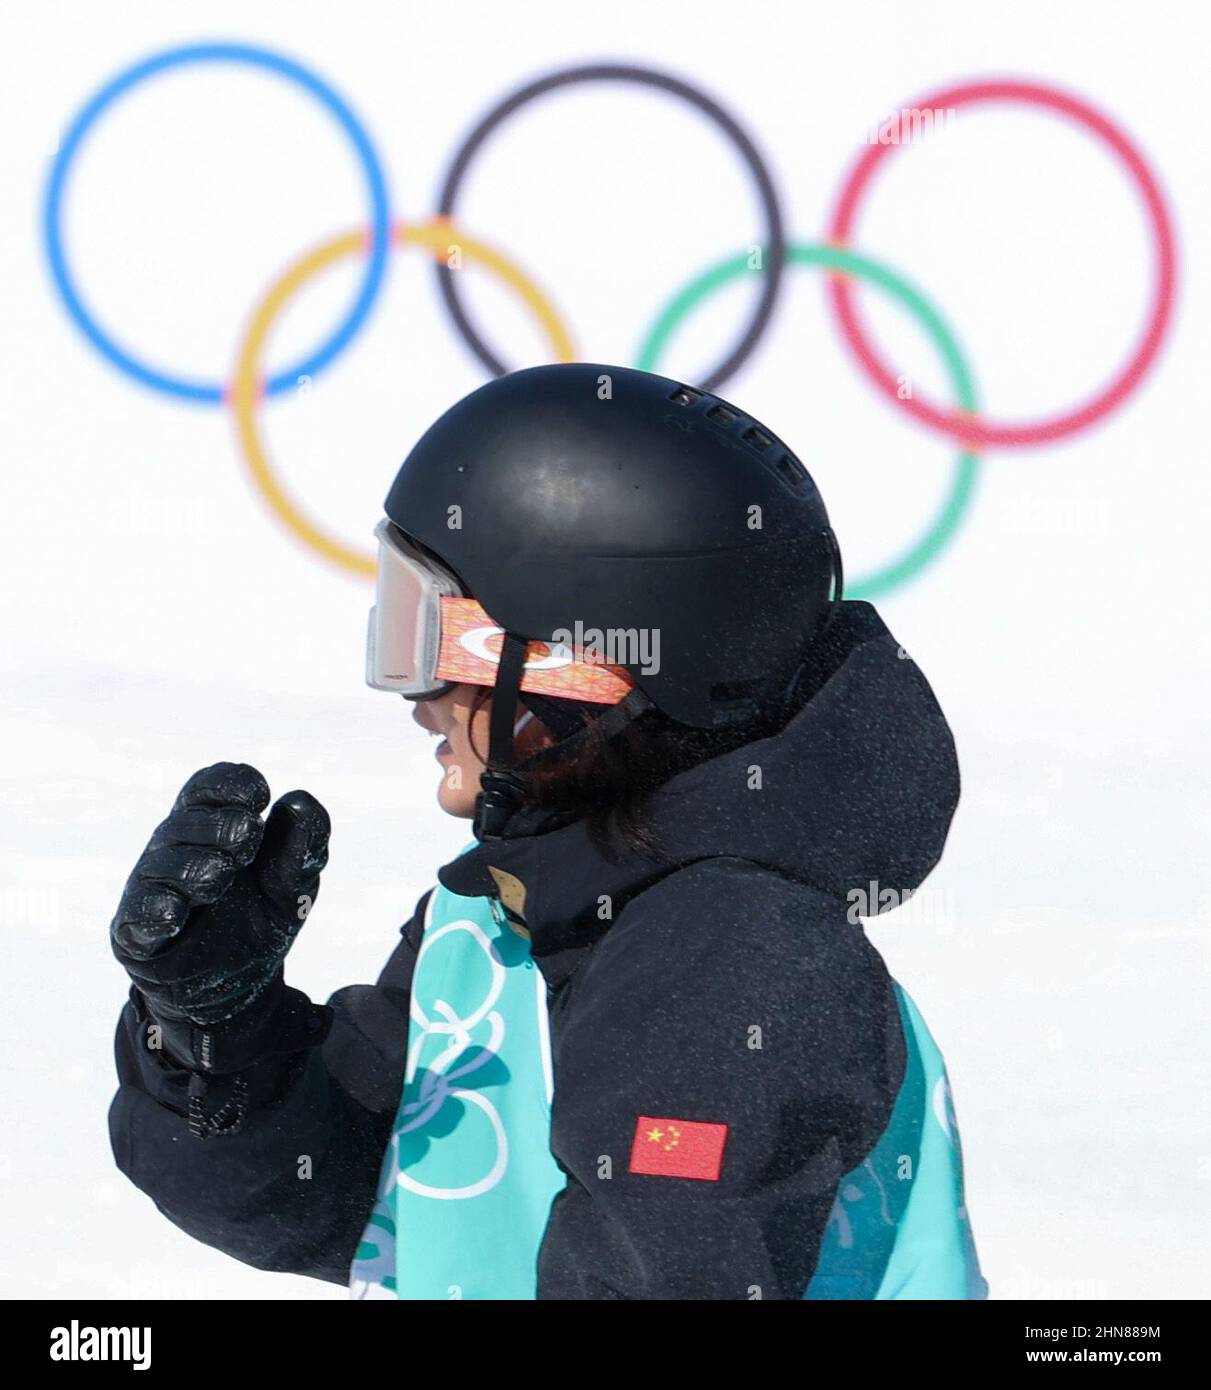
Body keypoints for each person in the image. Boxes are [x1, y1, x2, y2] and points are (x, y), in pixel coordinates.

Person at [108, 363, 987, 1300]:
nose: (415, 698)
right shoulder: (514, 914)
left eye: (429, 637)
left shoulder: (731, 967)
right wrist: (213, 1035)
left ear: (582, 670)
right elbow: (350, 1199)